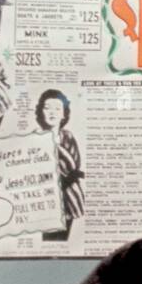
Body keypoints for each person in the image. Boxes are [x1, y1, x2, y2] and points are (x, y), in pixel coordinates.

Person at [36, 89, 86, 242]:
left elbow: (75, 165)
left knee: (63, 240)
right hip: (46, 198)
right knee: (48, 240)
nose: (52, 112)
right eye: (47, 107)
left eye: (57, 108)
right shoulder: (36, 137)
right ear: (41, 112)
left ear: (64, 114)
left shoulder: (68, 136)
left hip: (69, 197)